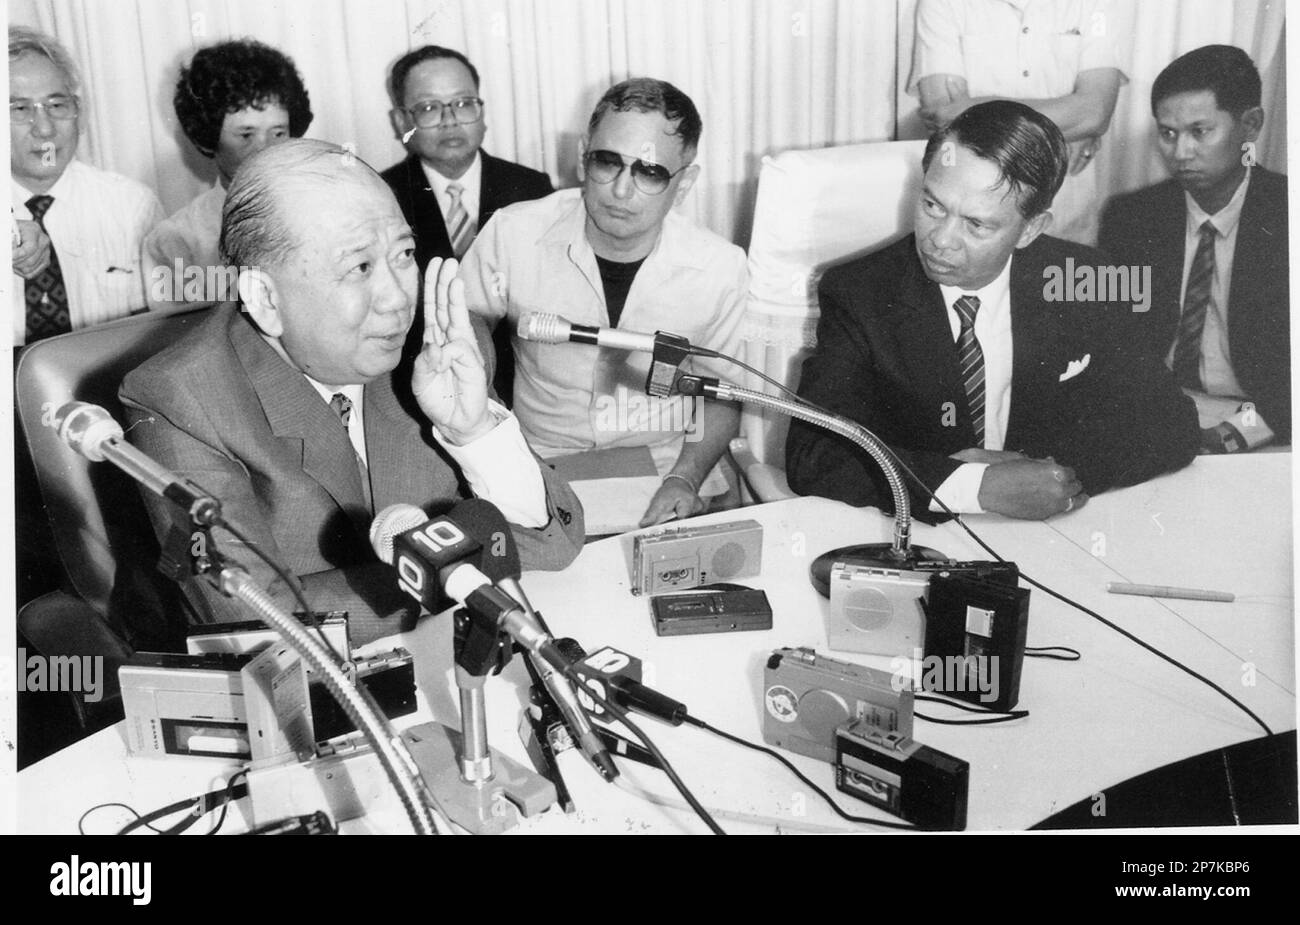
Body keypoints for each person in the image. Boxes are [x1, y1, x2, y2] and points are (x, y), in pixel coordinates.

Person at [120, 140, 583, 646]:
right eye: (359, 268)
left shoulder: (441, 341)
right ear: (266, 298)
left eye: (404, 254)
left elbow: (554, 542)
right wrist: (461, 576)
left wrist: (473, 432)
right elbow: (257, 621)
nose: (397, 298)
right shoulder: (181, 398)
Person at [786, 100, 1199, 522]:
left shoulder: (1086, 281)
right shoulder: (860, 292)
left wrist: (1046, 474)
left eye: (976, 225)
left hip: (1057, 532)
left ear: (1031, 229)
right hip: (922, 534)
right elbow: (814, 455)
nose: (940, 240)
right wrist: (974, 487)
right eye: (932, 206)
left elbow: (1172, 424)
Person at [460, 78, 746, 528]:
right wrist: (484, 403)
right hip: (544, 458)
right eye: (607, 162)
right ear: (581, 158)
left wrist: (686, 479)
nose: (620, 190)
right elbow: (467, 318)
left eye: (649, 173)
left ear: (685, 182)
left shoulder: (719, 268)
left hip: (665, 463)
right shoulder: (512, 235)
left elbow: (725, 394)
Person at [1100, 45, 1289, 452]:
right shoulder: (1131, 218)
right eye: (1168, 134)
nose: (1180, 152)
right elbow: (1113, 346)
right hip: (1161, 412)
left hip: (1266, 423)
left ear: (1250, 125)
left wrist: (1231, 434)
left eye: (1200, 132)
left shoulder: (1287, 217)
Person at [380, 45, 554, 402]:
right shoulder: (382, 196)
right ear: (401, 122)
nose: (450, 121)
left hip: (525, 389)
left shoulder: (531, 188)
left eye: (463, 103)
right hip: (424, 386)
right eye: (428, 108)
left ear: (481, 111)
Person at [908, 0, 1125, 245]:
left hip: (1065, 214)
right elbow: (944, 114)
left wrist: (974, 107)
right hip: (971, 220)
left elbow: (1096, 112)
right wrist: (1067, 122)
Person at [9, 25, 164, 346]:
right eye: (19, 109)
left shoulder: (131, 206)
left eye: (56, 105)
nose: (44, 128)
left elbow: (163, 329)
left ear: (78, 112)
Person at [143, 38, 313, 310]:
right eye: (246, 135)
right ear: (206, 139)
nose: (266, 149)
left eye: (278, 133)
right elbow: (179, 342)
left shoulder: (324, 211)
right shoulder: (175, 241)